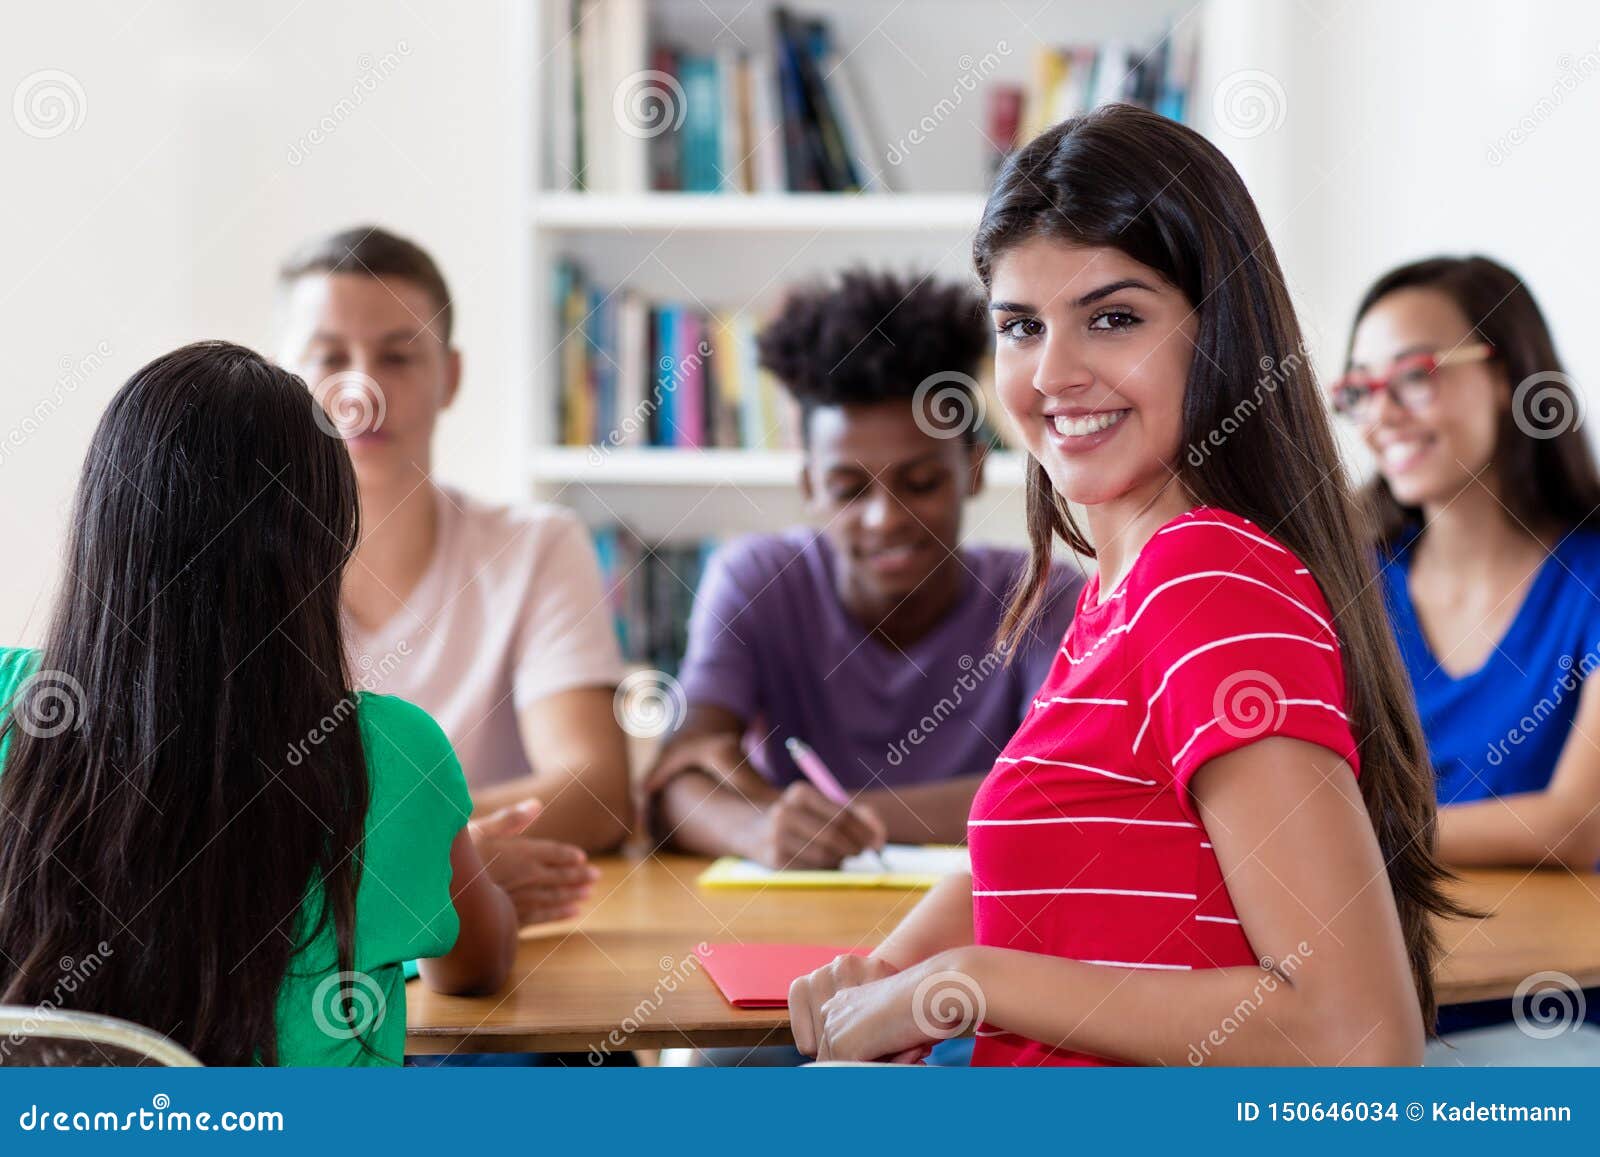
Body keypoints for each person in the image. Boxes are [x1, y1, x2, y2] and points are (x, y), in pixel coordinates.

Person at [788, 104, 1459, 1066]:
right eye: (1020, 326)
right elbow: (1051, 846)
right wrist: (888, 969)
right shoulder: (1120, 586)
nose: (1053, 372)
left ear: (1217, 331)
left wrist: (965, 982)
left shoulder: (1207, 581)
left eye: (1114, 317)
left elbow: (1356, 1037)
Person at [0, 342, 521, 1066]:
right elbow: (475, 966)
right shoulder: (392, 753)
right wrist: (465, 863)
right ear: (323, 545)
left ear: (99, 522)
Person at [647, 270, 1079, 869]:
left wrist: (824, 817)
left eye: (922, 483)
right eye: (849, 489)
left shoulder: (1044, 595)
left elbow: (1063, 794)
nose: (884, 520)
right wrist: (757, 831)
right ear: (809, 488)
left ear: (973, 470)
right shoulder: (755, 579)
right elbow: (676, 781)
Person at [277, 226, 630, 931]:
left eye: (398, 356)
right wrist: (450, 864)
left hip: (499, 970)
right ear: (283, 379)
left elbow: (597, 790)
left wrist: (394, 867)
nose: (362, 389)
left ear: (453, 375)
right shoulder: (240, 566)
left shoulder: (536, 547)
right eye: (329, 358)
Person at [1342, 255, 1600, 1061]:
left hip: (1559, 989)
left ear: (1509, 376)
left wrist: (1350, 837)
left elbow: (1571, 823)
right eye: (1358, 389)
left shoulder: (1590, 577)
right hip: (1380, 972)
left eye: (1413, 375)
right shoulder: (1350, 584)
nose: (1381, 415)